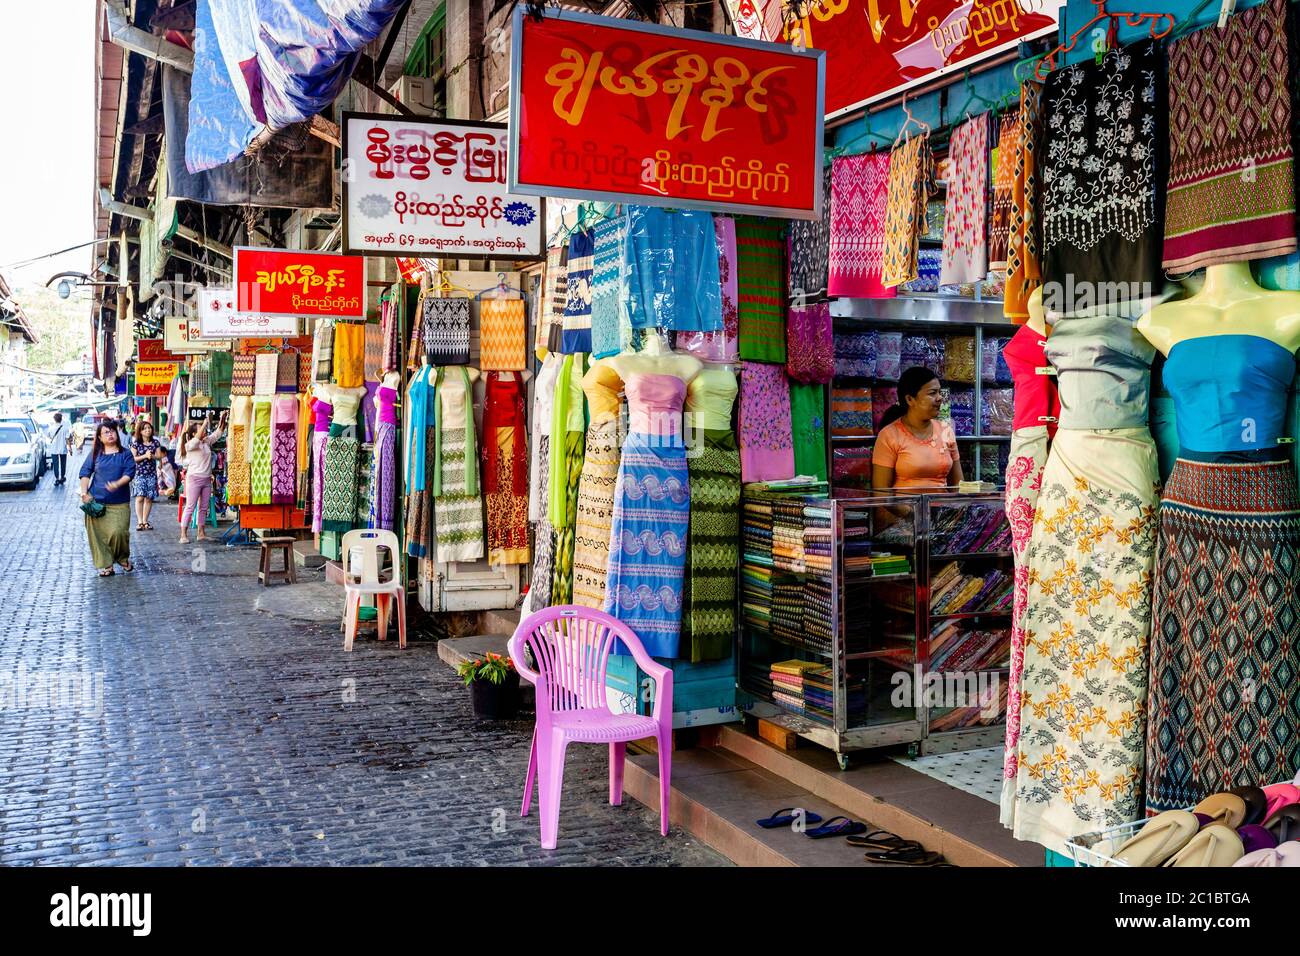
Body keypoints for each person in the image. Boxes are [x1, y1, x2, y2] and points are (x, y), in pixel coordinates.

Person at [871, 366, 964, 491]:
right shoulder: (889, 435)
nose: (940, 398)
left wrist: (953, 509)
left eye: (939, 392)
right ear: (910, 399)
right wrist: (908, 511)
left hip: (941, 508)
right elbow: (881, 491)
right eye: (932, 393)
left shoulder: (945, 431)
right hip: (904, 508)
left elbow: (958, 486)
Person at [79, 422, 136, 576]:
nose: (110, 434)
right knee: (98, 537)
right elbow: (85, 473)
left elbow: (129, 473)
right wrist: (84, 493)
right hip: (96, 502)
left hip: (119, 502)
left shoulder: (126, 454)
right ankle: (107, 565)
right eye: (106, 432)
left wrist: (117, 483)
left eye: (112, 431)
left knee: (119, 533)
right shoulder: (95, 454)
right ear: (99, 437)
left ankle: (122, 558)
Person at [177, 411, 227, 544]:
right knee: (190, 507)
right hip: (194, 478)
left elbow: (219, 432)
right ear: (194, 434)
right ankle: (183, 534)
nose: (204, 431)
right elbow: (198, 437)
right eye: (200, 430)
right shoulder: (190, 445)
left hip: (206, 479)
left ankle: (201, 533)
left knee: (204, 507)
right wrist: (205, 422)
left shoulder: (206, 442)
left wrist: (222, 417)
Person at [129, 420, 163, 530]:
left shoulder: (155, 443)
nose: (148, 430)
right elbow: (132, 458)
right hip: (139, 474)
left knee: (149, 498)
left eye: (149, 428)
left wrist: (152, 456)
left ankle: (145, 521)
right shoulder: (136, 444)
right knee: (139, 497)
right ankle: (139, 521)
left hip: (151, 474)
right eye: (145, 429)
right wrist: (144, 456)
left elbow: (159, 456)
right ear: (140, 431)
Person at [46, 412, 71, 485]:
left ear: (54, 419)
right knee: (63, 464)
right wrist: (70, 448)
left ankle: (57, 478)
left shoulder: (51, 428)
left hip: (54, 449)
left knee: (55, 464)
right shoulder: (65, 428)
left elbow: (49, 436)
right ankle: (62, 477)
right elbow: (67, 439)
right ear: (61, 419)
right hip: (63, 448)